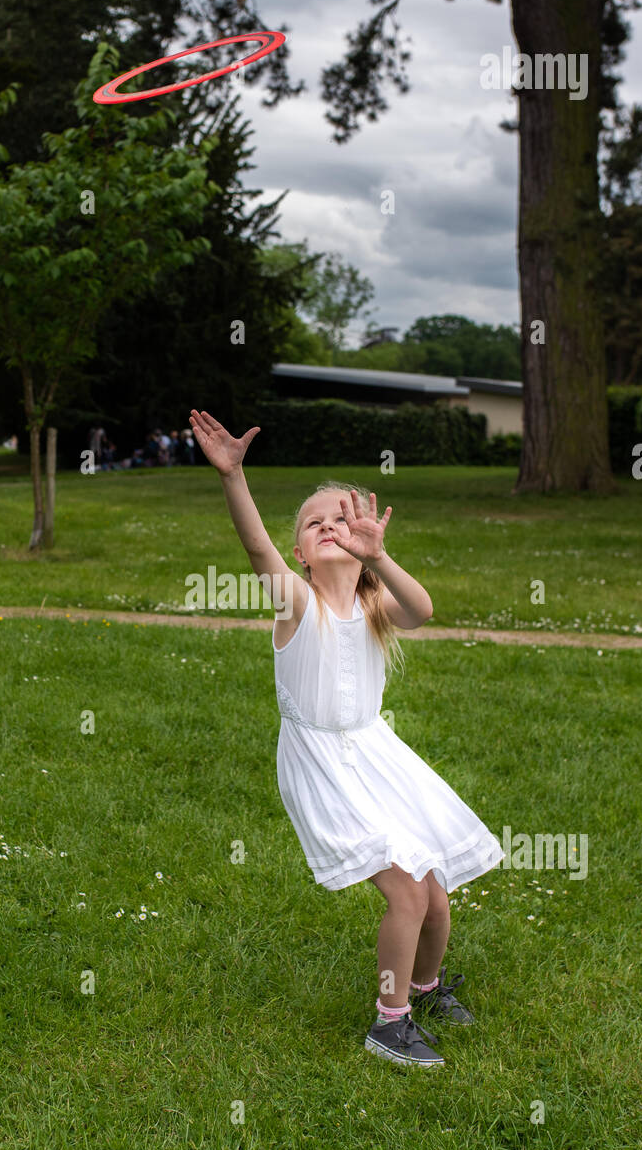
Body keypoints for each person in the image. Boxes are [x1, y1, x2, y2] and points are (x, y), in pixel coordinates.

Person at [188, 408, 503, 1070]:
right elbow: (253, 550)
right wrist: (232, 478)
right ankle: (389, 1025)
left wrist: (379, 556)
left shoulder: (372, 604)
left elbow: (421, 609)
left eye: (339, 516)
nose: (328, 525)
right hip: (322, 764)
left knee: (436, 892)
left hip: (376, 755)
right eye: (313, 522)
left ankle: (426, 987)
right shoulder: (296, 604)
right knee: (407, 892)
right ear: (300, 553)